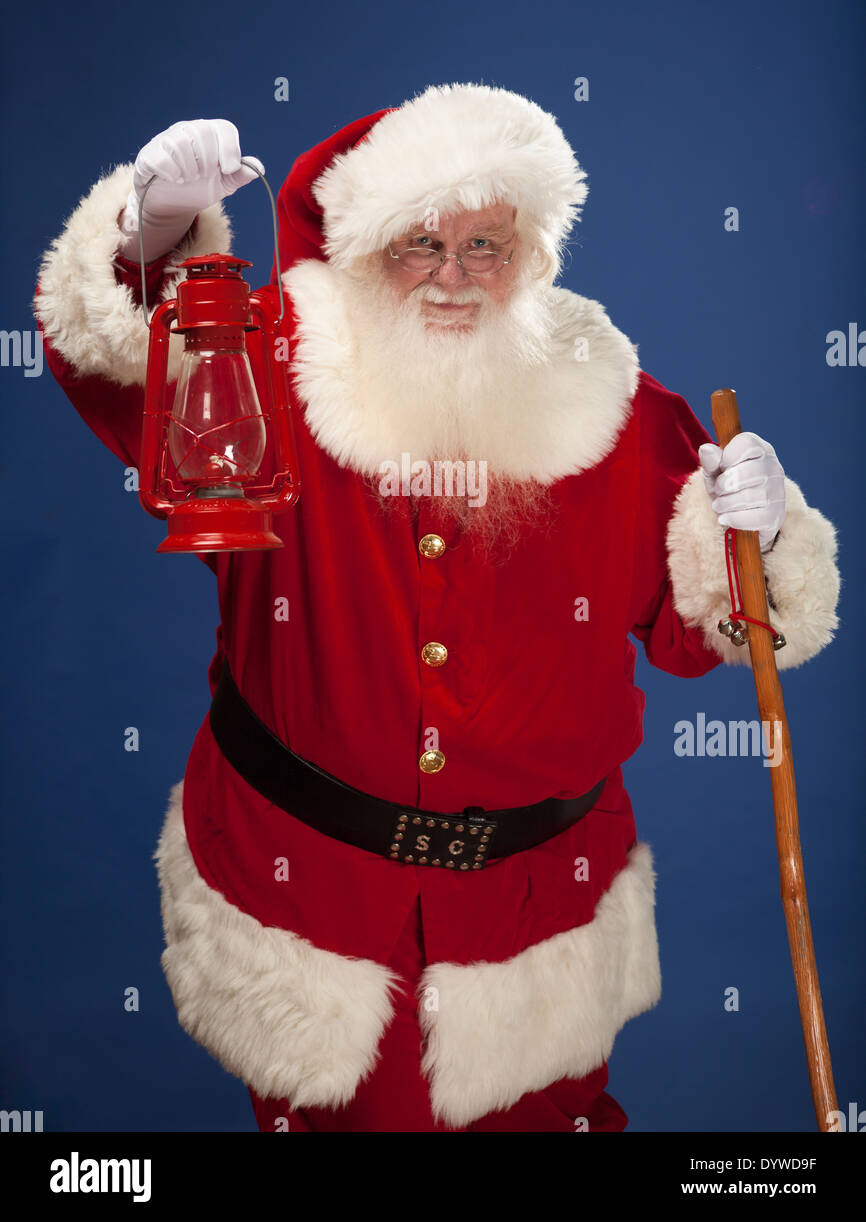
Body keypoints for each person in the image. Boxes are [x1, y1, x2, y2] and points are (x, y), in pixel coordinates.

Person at [32, 83, 840, 1132]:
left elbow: (707, 632)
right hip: (309, 900)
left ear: (531, 252)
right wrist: (153, 243)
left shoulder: (618, 413)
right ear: (364, 250)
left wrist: (761, 533)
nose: (453, 278)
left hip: (536, 914)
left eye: (485, 247)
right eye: (419, 244)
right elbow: (125, 381)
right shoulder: (270, 363)